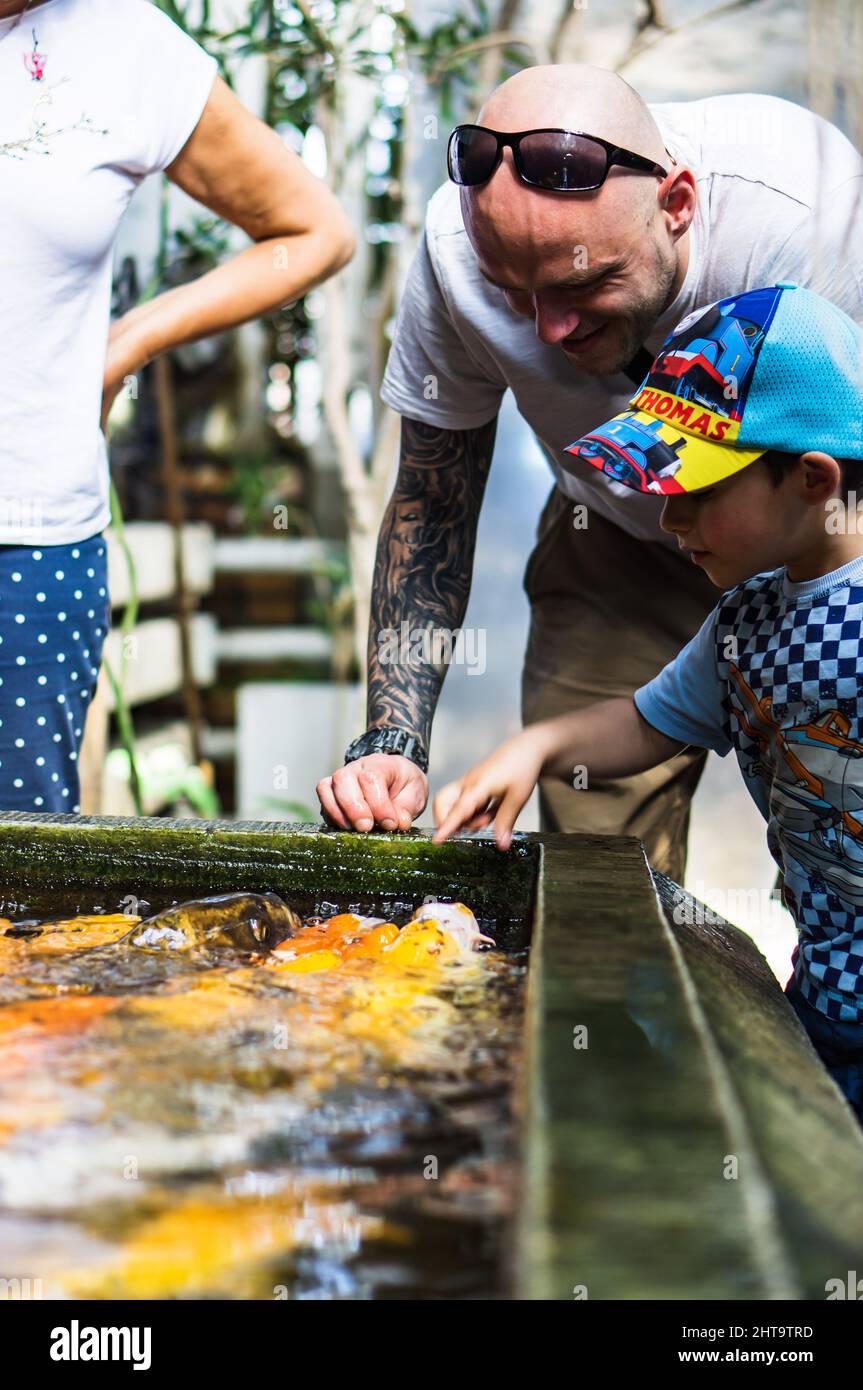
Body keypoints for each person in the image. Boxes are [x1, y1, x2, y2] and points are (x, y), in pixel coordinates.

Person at [316, 63, 863, 882]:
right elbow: (432, 501)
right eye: (514, 292)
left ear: (677, 205)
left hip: (817, 549)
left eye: (584, 284)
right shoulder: (454, 249)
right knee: (600, 869)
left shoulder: (804, 210)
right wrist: (392, 739)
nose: (548, 330)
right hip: (611, 541)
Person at [432, 281, 863, 1122]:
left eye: (695, 490)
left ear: (811, 478)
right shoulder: (747, 618)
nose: (668, 519)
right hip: (824, 996)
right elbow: (645, 721)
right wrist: (540, 748)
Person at [0, 0, 355, 811]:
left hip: (30, 547)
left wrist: (130, 338)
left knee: (13, 886)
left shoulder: (126, 44)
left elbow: (313, 231)